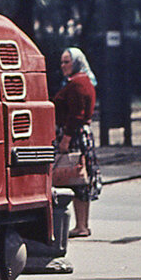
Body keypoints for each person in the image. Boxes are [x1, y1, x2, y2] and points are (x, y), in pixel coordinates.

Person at [53, 47, 102, 237]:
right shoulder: (82, 81)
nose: (63, 66)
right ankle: (82, 224)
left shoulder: (78, 84)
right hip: (79, 134)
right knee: (79, 177)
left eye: (67, 62)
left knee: (77, 177)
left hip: (74, 135)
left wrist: (66, 138)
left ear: (77, 62)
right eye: (62, 62)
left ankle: (82, 225)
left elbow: (76, 115)